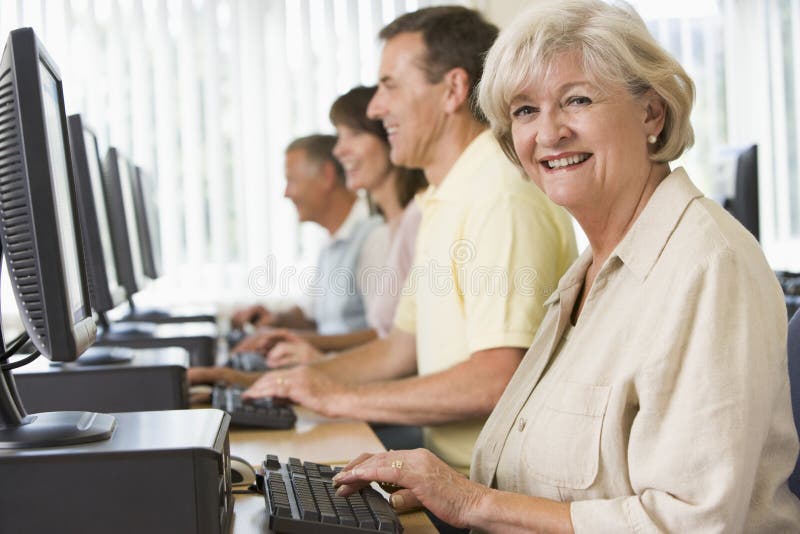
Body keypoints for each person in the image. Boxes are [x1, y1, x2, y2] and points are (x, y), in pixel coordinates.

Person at [330, 1, 800, 532]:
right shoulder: (593, 271)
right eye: (525, 110)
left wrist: (469, 502)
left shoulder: (708, 268)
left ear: (652, 113)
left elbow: (687, 524)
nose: (549, 133)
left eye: (577, 99)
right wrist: (443, 493)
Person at [242, 5, 577, 476]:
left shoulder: (499, 195)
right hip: (451, 470)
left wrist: (339, 398)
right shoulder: (443, 196)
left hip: (495, 487)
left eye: (390, 86)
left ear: (453, 90)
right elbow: (400, 348)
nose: (376, 108)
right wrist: (295, 382)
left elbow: (498, 377)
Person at [233, 86, 428, 368]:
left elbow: (386, 338)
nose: (339, 151)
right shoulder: (338, 241)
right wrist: (278, 326)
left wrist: (312, 353)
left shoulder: (381, 232)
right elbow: (317, 315)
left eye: (354, 134)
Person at [230, 134, 383, 337]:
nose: (286, 193)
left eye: (291, 180)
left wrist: (297, 340)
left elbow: (382, 334)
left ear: (327, 176)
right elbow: (311, 314)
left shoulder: (374, 237)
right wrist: (274, 319)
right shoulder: (330, 242)